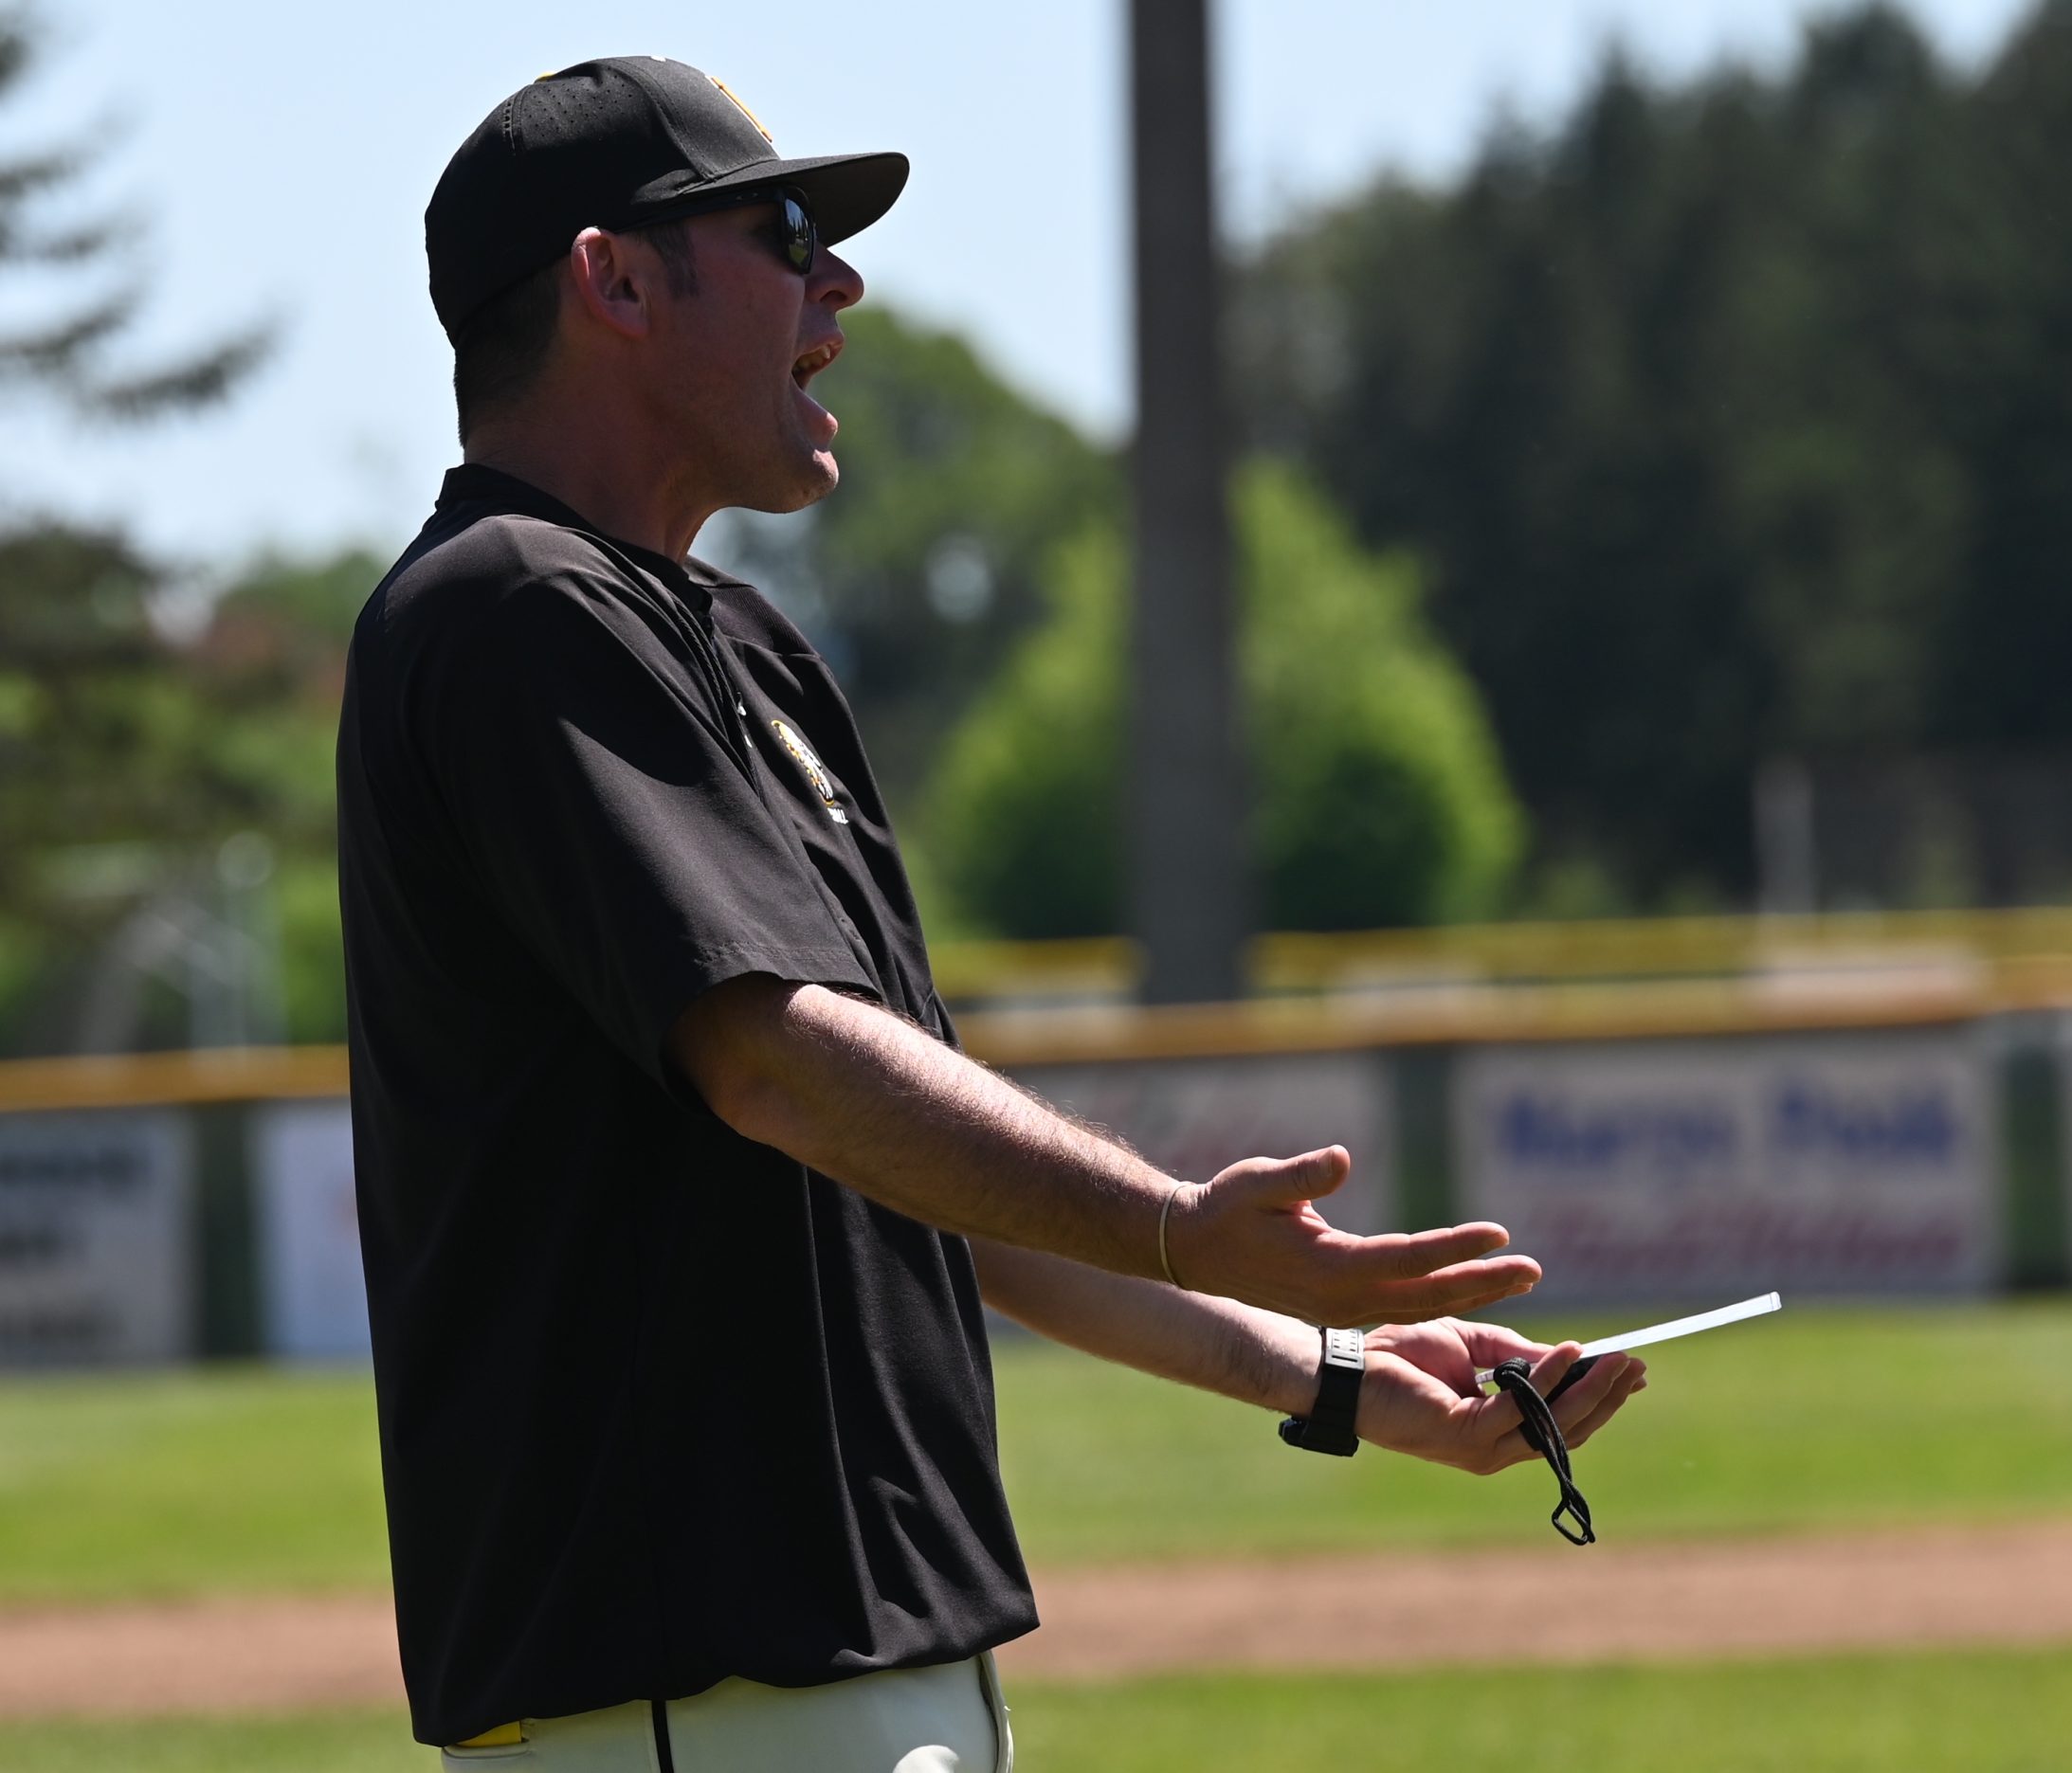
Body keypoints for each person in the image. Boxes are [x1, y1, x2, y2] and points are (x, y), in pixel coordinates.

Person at [336, 55, 1648, 1772]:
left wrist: (1331, 1376)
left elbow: (910, 1173)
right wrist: (1178, 1220)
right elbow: (778, 1068)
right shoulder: (508, 610)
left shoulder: (737, 644)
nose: (841, 284)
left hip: (847, 1680)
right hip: (684, 1695)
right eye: (786, 231)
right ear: (617, 280)